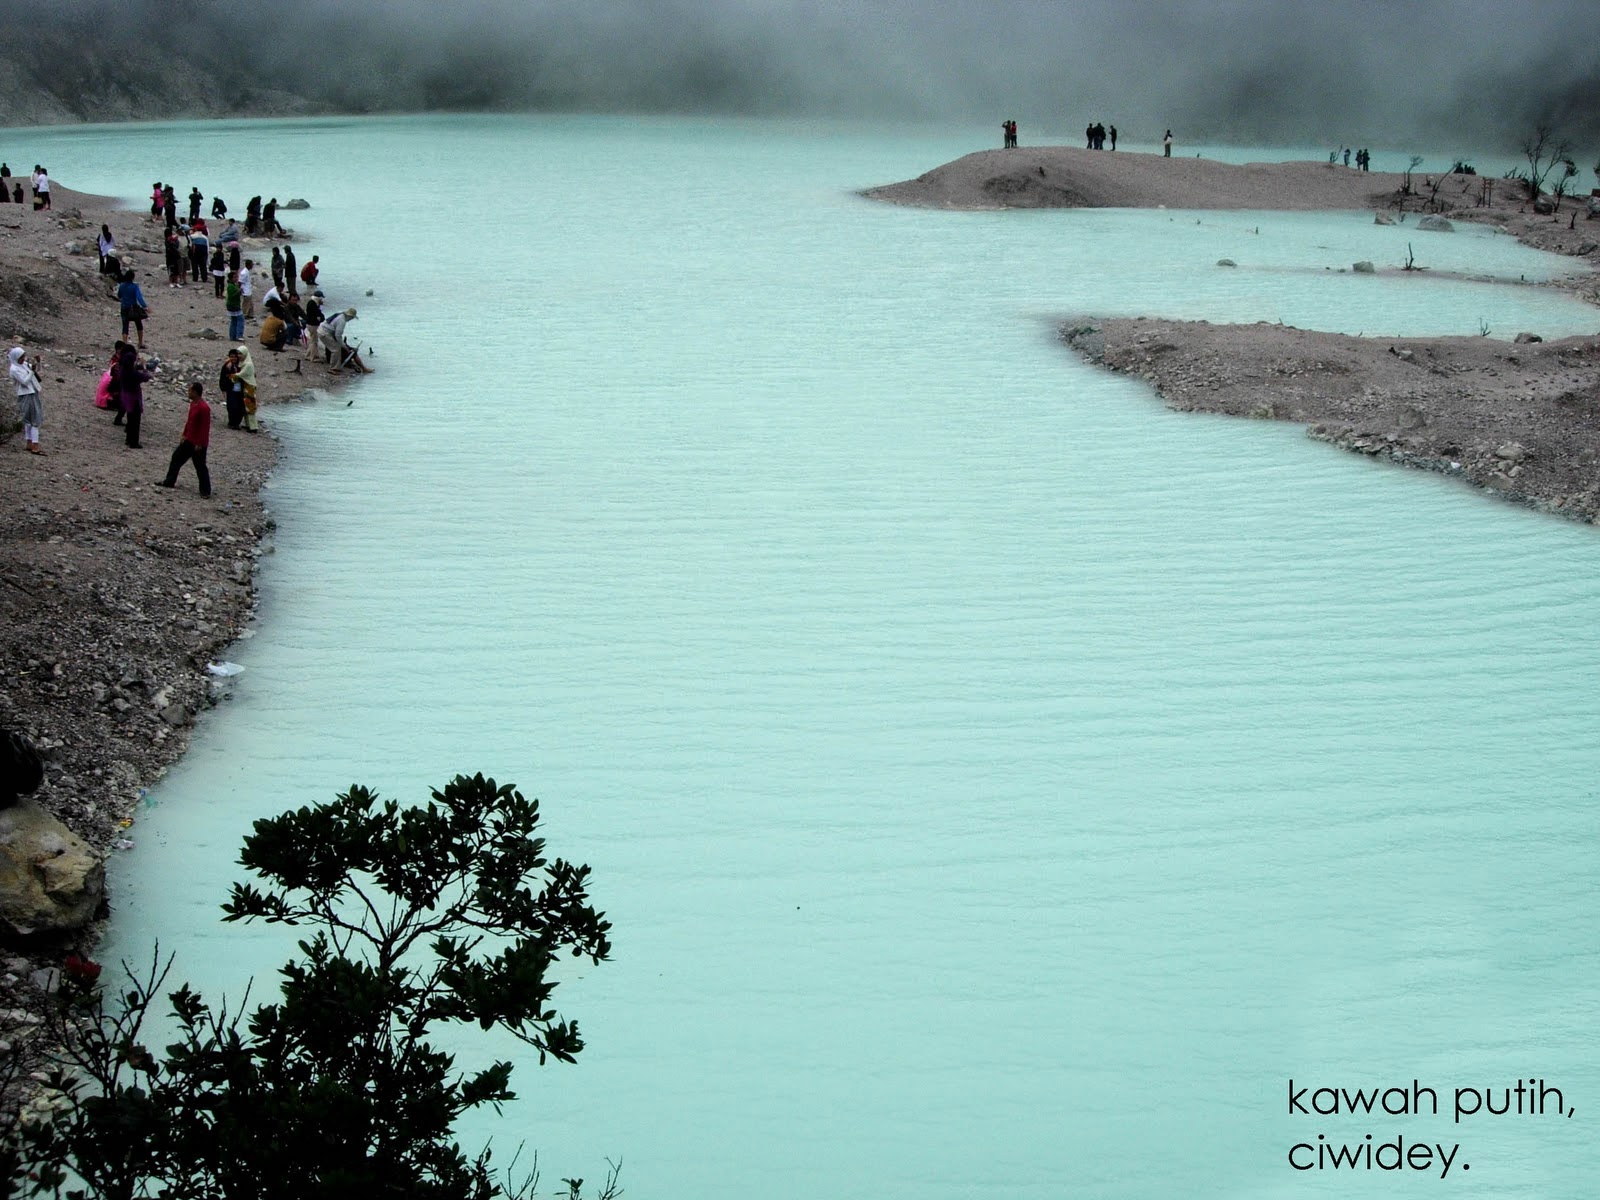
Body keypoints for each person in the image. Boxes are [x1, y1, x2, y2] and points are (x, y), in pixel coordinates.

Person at [157, 381, 212, 498]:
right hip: (189, 439)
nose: (188, 392)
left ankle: (205, 491)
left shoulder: (204, 408)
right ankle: (169, 481)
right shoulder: (193, 404)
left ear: (196, 392)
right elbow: (189, 421)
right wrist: (184, 434)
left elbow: (204, 428)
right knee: (176, 457)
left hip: (198, 443)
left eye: (190, 390)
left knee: (200, 466)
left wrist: (200, 443)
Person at [113, 343, 151, 448]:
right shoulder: (133, 373)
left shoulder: (123, 370)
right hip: (133, 397)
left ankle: (128, 439)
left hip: (126, 396)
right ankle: (134, 442)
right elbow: (146, 377)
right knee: (135, 420)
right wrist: (144, 366)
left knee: (130, 419)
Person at [9, 347, 45, 455]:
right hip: (25, 394)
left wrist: (38, 363)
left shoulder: (23, 365)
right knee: (33, 420)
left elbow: (36, 372)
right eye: (21, 357)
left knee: (30, 420)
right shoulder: (14, 369)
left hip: (32, 392)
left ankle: (30, 442)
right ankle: (34, 444)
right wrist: (32, 371)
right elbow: (24, 381)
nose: (23, 359)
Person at [319, 307, 372, 373]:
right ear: (349, 316)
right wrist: (345, 347)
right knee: (335, 349)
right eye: (352, 318)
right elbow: (338, 336)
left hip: (323, 329)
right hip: (324, 332)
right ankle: (333, 368)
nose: (351, 319)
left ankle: (335, 366)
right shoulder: (342, 321)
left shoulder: (340, 315)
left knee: (335, 347)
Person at [117, 270, 148, 347]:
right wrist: (145, 306)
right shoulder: (134, 286)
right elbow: (139, 297)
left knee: (125, 325)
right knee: (138, 324)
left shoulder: (122, 285)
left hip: (124, 307)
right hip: (133, 308)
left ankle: (124, 343)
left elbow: (119, 295)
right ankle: (140, 342)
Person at [234, 344, 260, 431]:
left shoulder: (248, 364)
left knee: (250, 407)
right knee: (246, 407)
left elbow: (241, 375)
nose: (239, 356)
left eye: (240, 354)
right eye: (238, 354)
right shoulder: (245, 363)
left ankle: (253, 427)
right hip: (247, 387)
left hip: (249, 387)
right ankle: (248, 425)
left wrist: (231, 376)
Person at [219, 347, 246, 429]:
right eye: (231, 356)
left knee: (240, 407)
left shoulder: (242, 365)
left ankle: (237, 423)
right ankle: (232, 423)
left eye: (235, 356)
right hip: (231, 389)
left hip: (240, 390)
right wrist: (223, 389)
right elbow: (222, 378)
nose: (233, 358)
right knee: (231, 407)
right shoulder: (227, 366)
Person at [302, 291, 325, 361]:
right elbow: (318, 315)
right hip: (313, 325)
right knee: (314, 341)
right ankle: (313, 357)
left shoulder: (312, 303)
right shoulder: (313, 304)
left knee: (312, 339)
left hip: (310, 324)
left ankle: (308, 355)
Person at [224, 276, 244, 341]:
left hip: (232, 305)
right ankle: (239, 335)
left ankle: (233, 336)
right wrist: (239, 291)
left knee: (234, 320)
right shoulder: (230, 286)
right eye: (235, 277)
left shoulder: (233, 285)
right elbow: (231, 295)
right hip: (234, 305)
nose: (236, 279)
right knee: (240, 319)